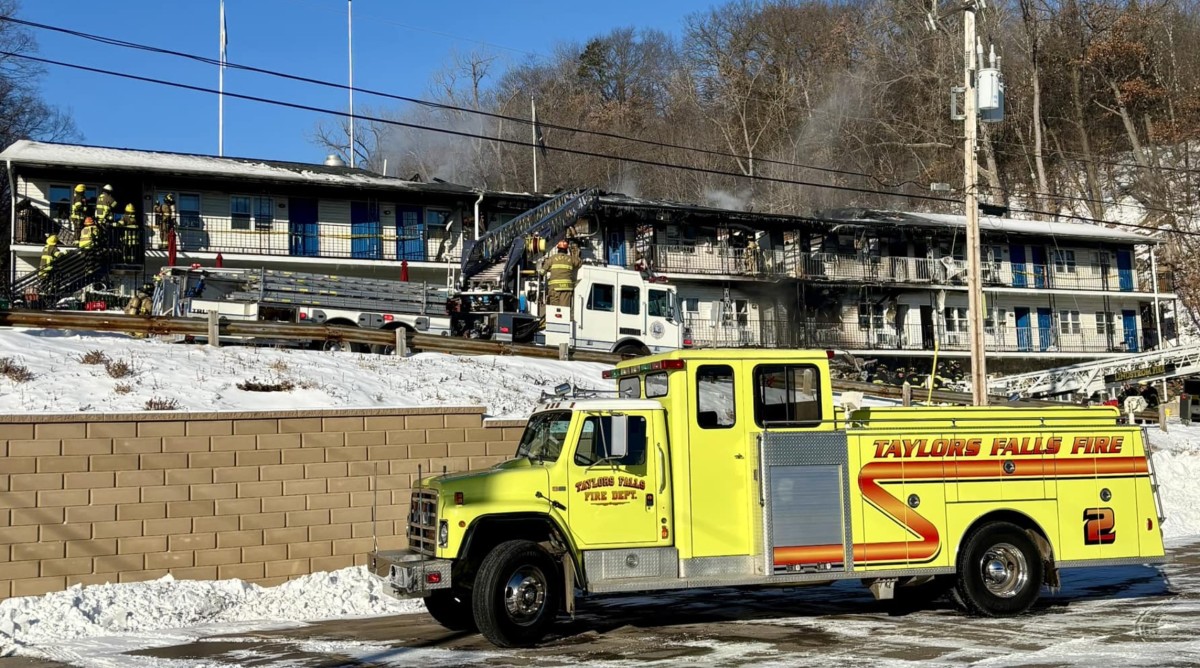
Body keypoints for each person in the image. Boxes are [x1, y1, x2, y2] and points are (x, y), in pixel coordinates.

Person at [540, 240, 582, 308]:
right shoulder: (571, 259)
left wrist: (540, 273)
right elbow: (579, 263)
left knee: (554, 310)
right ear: (566, 250)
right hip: (566, 288)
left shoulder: (552, 258)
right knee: (564, 310)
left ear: (558, 249)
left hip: (554, 288)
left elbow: (542, 271)